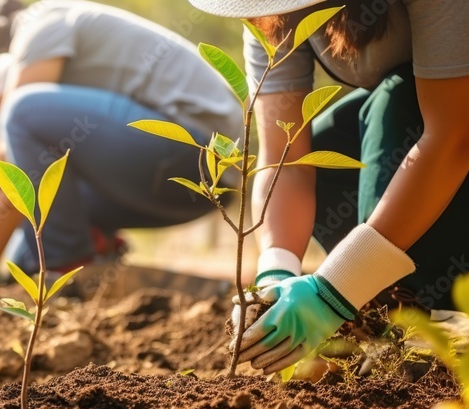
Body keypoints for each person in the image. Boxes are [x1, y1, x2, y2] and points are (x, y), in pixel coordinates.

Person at [187, 0, 469, 373]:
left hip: (452, 135)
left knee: (396, 100)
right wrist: (275, 273)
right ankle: (403, 304)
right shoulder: (270, 12)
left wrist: (337, 286)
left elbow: (453, 137)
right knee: (325, 155)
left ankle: (416, 325)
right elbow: (285, 160)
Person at [0, 0, 243, 293]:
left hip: (198, 146)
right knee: (26, 255)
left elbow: (9, 178)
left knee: (21, 112)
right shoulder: (58, 87)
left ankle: (69, 259)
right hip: (190, 189)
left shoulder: (41, 25)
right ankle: (96, 248)